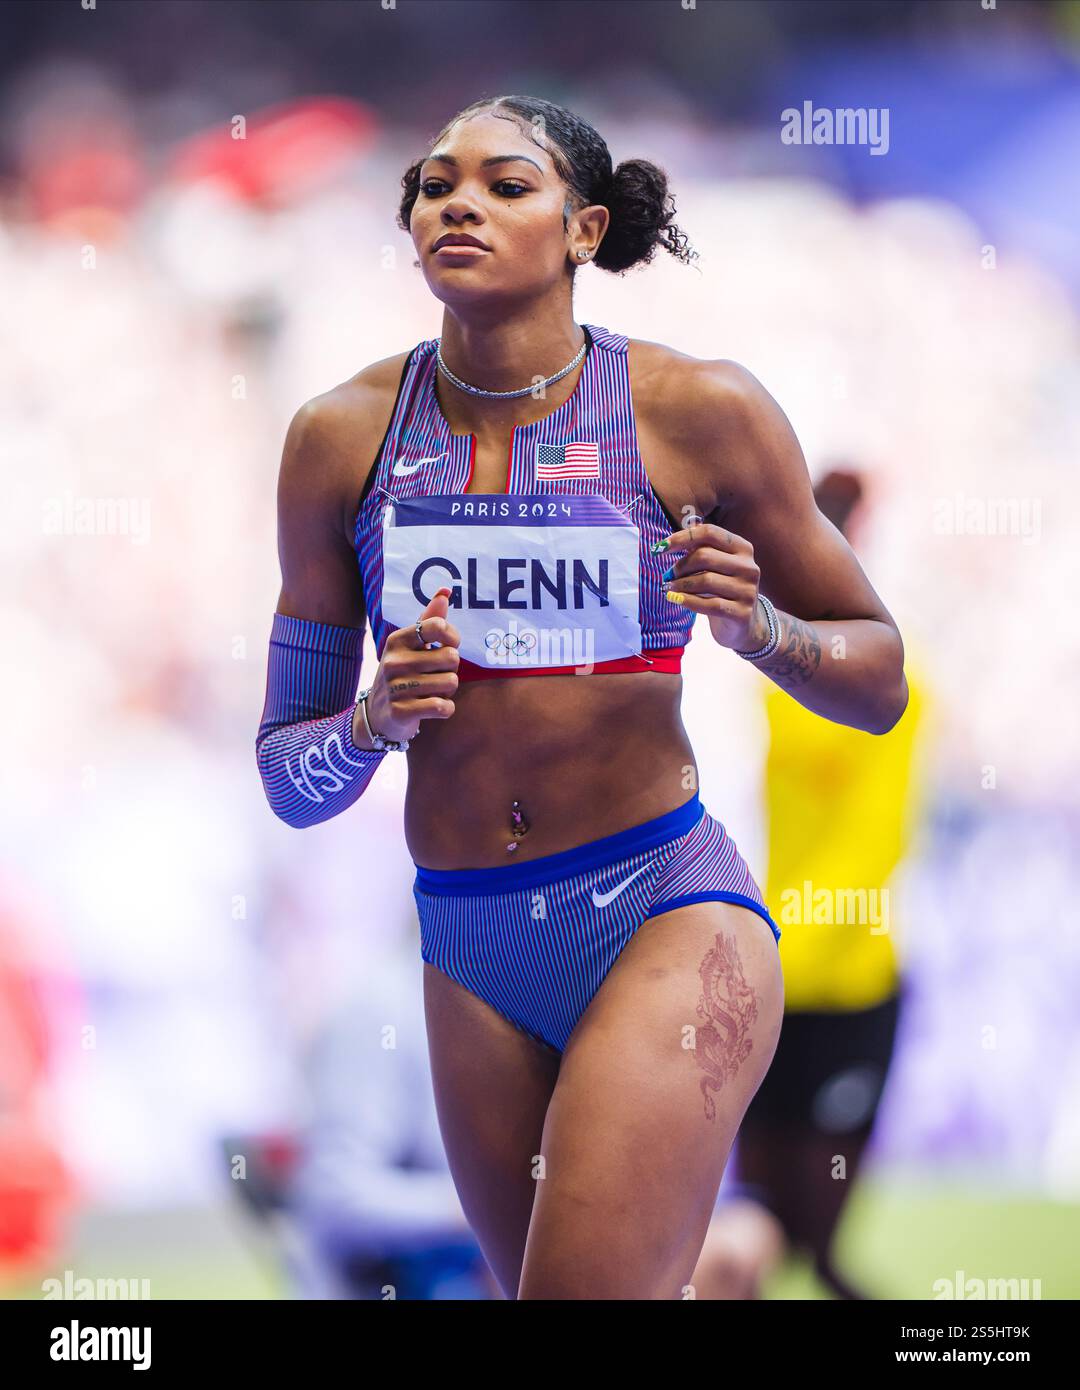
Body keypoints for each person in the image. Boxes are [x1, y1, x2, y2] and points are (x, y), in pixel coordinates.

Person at [255, 95, 908, 1301]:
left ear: (583, 227)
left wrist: (758, 627)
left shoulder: (697, 411)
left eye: (507, 184)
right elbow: (287, 778)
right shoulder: (337, 440)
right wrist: (370, 719)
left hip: (662, 911)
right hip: (467, 940)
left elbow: (879, 677)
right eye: (435, 181)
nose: (459, 201)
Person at [691, 468, 931, 1300]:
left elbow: (874, 849)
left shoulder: (893, 686)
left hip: (842, 985)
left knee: (803, 1241)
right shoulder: (782, 684)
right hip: (781, 982)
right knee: (759, 1234)